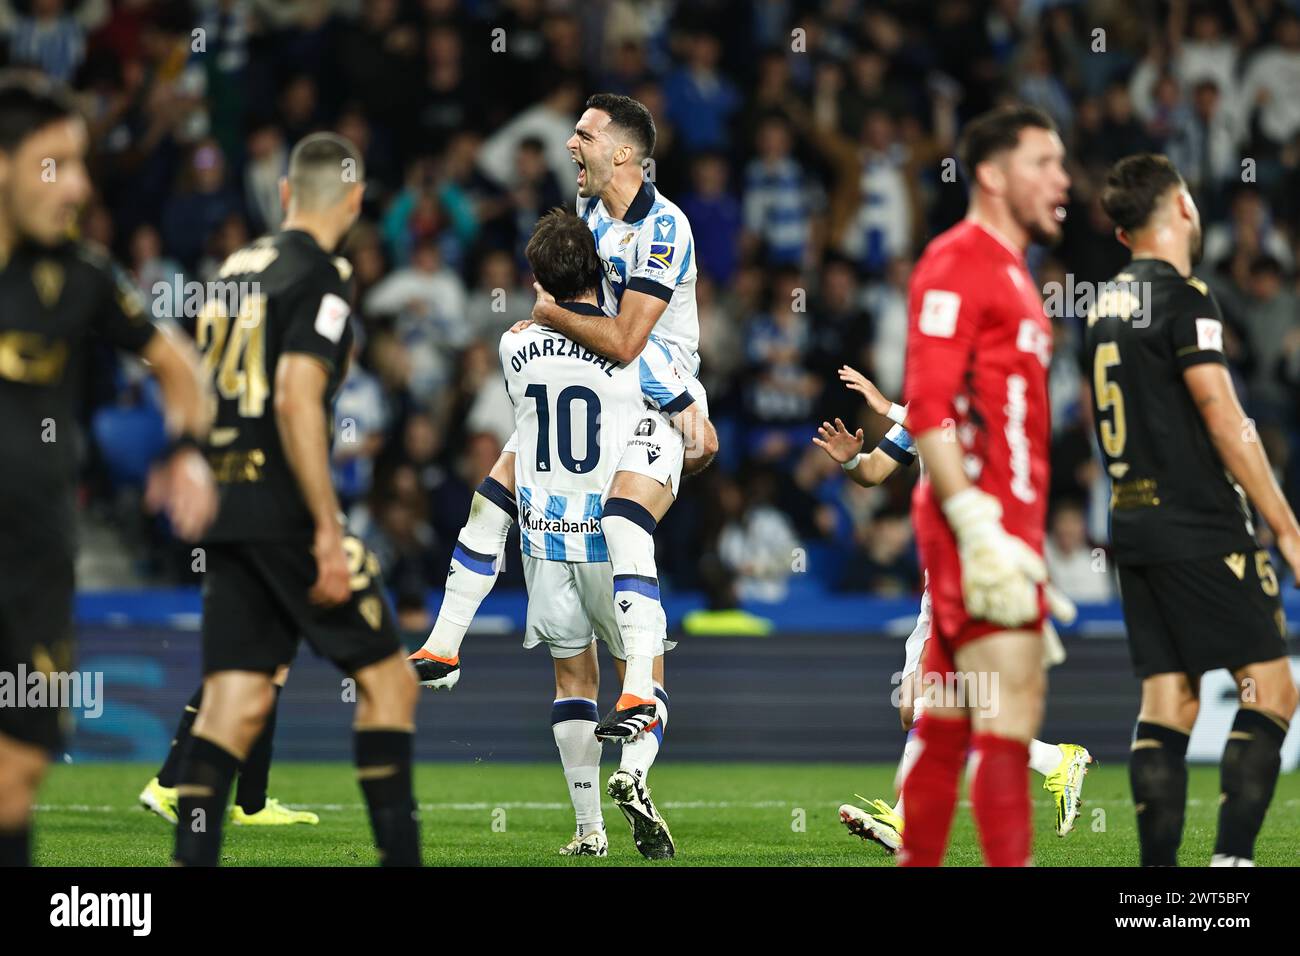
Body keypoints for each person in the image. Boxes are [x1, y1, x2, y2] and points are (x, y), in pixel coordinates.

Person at [411, 93, 709, 744]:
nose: (569, 144)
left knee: (625, 518)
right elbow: (584, 306)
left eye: (583, 135)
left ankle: (635, 691)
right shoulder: (585, 208)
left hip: (659, 385)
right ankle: (443, 643)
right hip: (597, 373)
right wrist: (556, 326)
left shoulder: (664, 229)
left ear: (623, 153)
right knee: (497, 485)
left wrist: (549, 319)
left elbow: (630, 339)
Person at [171, 132, 420, 867]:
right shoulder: (324, 273)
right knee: (390, 685)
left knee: (235, 701)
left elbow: (198, 379)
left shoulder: (234, 267)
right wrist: (324, 525)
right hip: (282, 509)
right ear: (353, 201)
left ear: (285, 195)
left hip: (226, 509)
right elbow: (296, 396)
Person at [0, 72, 217, 867]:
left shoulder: (83, 276)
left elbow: (177, 362)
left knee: (18, 771)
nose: (80, 187)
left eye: (83, 164)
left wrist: (184, 449)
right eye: (56, 164)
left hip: (36, 568)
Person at [1087, 153, 1300, 867]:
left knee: (1169, 702)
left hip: (1134, 526)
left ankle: (1157, 888)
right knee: (1271, 690)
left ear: (1123, 236)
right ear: (1181, 206)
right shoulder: (1184, 299)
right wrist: (1286, 522)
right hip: (1202, 522)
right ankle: (1232, 866)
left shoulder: (1101, 306)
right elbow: (1222, 414)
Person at [503, 208, 715, 858]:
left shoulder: (514, 345)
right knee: (640, 676)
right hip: (614, 543)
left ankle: (588, 830)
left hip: (544, 537)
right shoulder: (636, 349)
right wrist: (671, 463)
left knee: (573, 682)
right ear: (600, 269)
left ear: (538, 277)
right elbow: (701, 438)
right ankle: (634, 771)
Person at [812, 366, 1092, 853]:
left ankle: (905, 822)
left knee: (932, 691)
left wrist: (888, 406)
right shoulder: (925, 409)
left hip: (976, 564)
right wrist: (852, 460)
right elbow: (875, 472)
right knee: (913, 707)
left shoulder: (993, 401)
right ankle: (1054, 761)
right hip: (936, 574)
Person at [897, 105, 1070, 867]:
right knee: (1009, 721)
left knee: (948, 725)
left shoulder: (1012, 269)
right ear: (994, 175)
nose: (1063, 180)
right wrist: (978, 530)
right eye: (1045, 163)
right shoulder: (960, 259)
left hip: (1000, 531)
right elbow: (928, 405)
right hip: (982, 531)